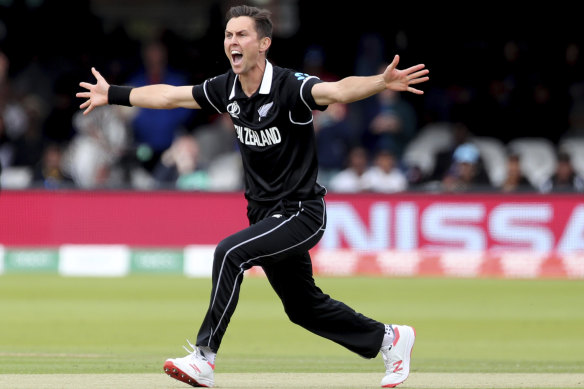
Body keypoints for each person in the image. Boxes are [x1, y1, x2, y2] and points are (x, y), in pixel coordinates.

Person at [77, 5, 429, 388]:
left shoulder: (290, 87)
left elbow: (339, 89)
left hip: (300, 212)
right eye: (229, 35)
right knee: (303, 308)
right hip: (263, 215)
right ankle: (390, 340)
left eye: (241, 35)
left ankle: (203, 359)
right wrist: (113, 93)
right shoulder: (224, 88)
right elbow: (171, 97)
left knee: (230, 252)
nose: (233, 42)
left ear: (264, 44)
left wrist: (381, 81)